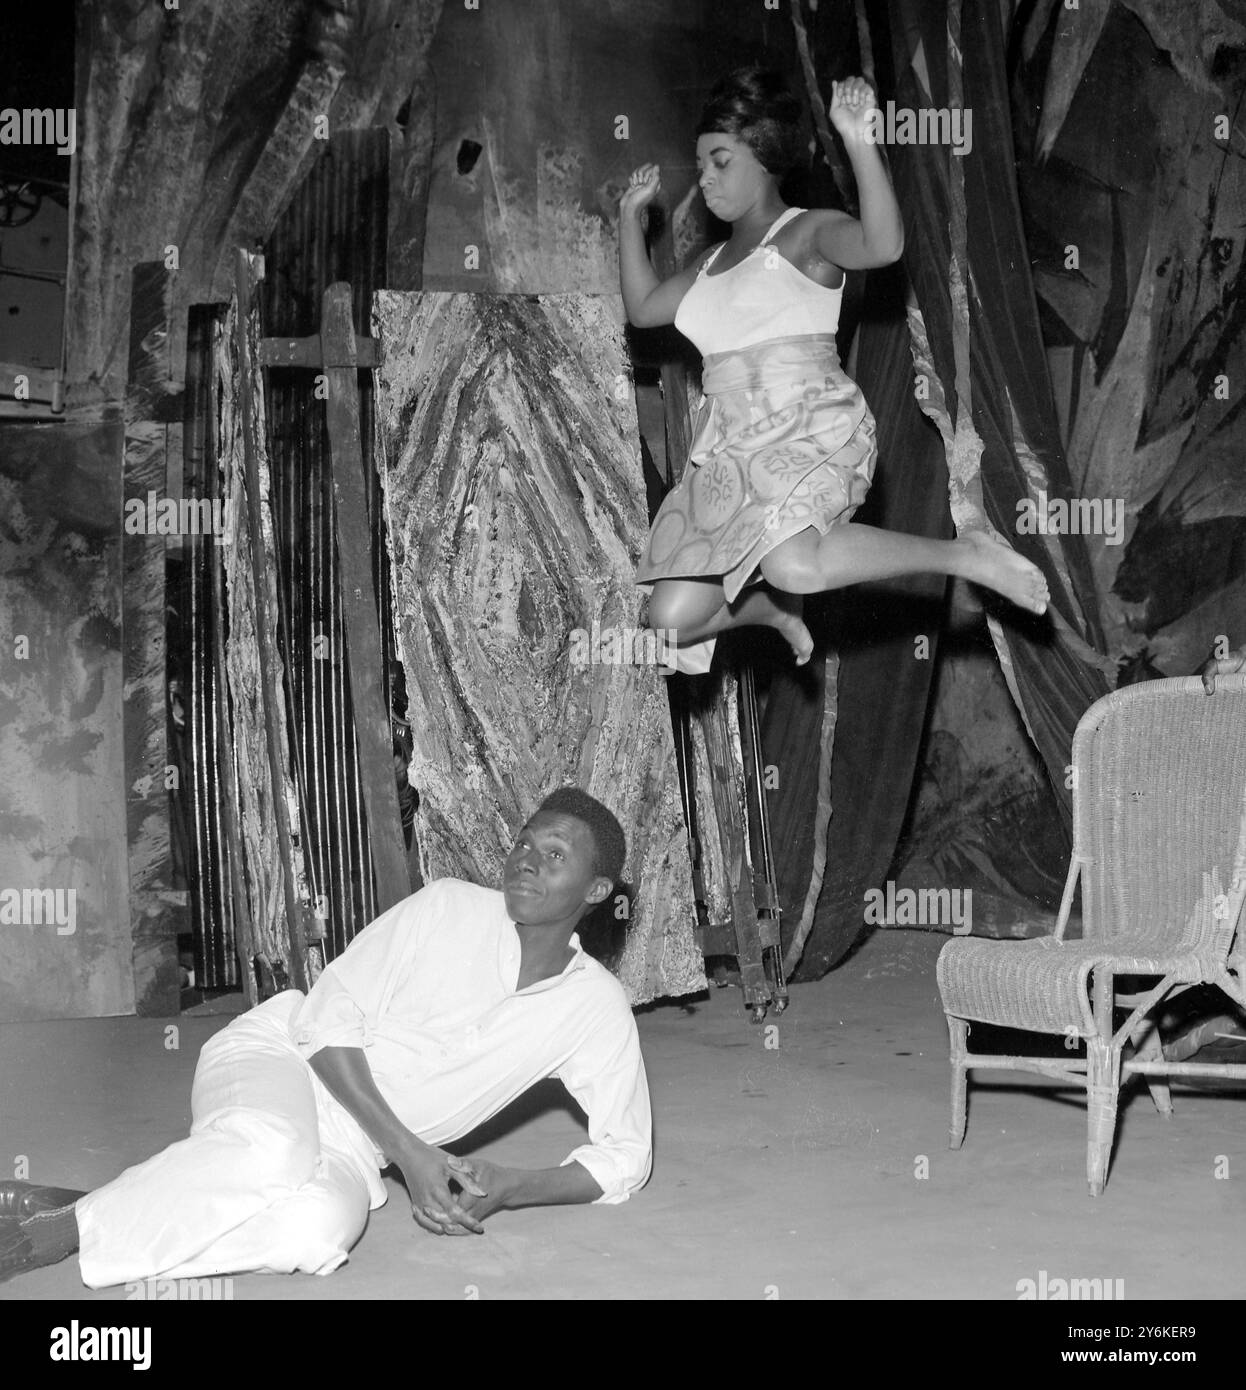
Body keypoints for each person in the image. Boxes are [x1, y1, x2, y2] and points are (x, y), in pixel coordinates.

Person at [0, 788, 651, 1287]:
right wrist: (411, 1150)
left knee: (316, 1233)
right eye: (523, 843)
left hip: (356, 1145)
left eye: (555, 855)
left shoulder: (594, 1007)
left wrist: (511, 1185)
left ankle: (111, 1207)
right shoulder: (447, 906)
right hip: (285, 1057)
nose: (526, 862)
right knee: (273, 1153)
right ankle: (55, 1236)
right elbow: (326, 1017)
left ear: (596, 890)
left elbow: (626, 1157)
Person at [618, 66, 1049, 670]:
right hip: (732, 454)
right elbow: (642, 310)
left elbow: (883, 244)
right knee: (665, 627)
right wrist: (628, 220)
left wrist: (858, 140)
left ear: (764, 157)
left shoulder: (806, 233)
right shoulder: (710, 263)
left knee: (792, 562)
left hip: (810, 425)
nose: (707, 178)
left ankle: (966, 555)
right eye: (702, 164)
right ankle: (768, 610)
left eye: (721, 160)